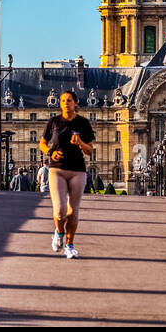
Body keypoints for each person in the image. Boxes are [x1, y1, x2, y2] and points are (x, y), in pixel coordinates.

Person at [40, 90, 95, 259]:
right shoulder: (54, 122)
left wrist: (80, 143)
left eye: (69, 100)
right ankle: (59, 232)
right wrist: (50, 152)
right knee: (60, 211)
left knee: (73, 211)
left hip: (78, 169)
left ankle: (70, 246)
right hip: (57, 168)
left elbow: (90, 151)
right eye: (63, 100)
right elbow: (42, 143)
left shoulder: (83, 123)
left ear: (76, 104)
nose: (65, 103)